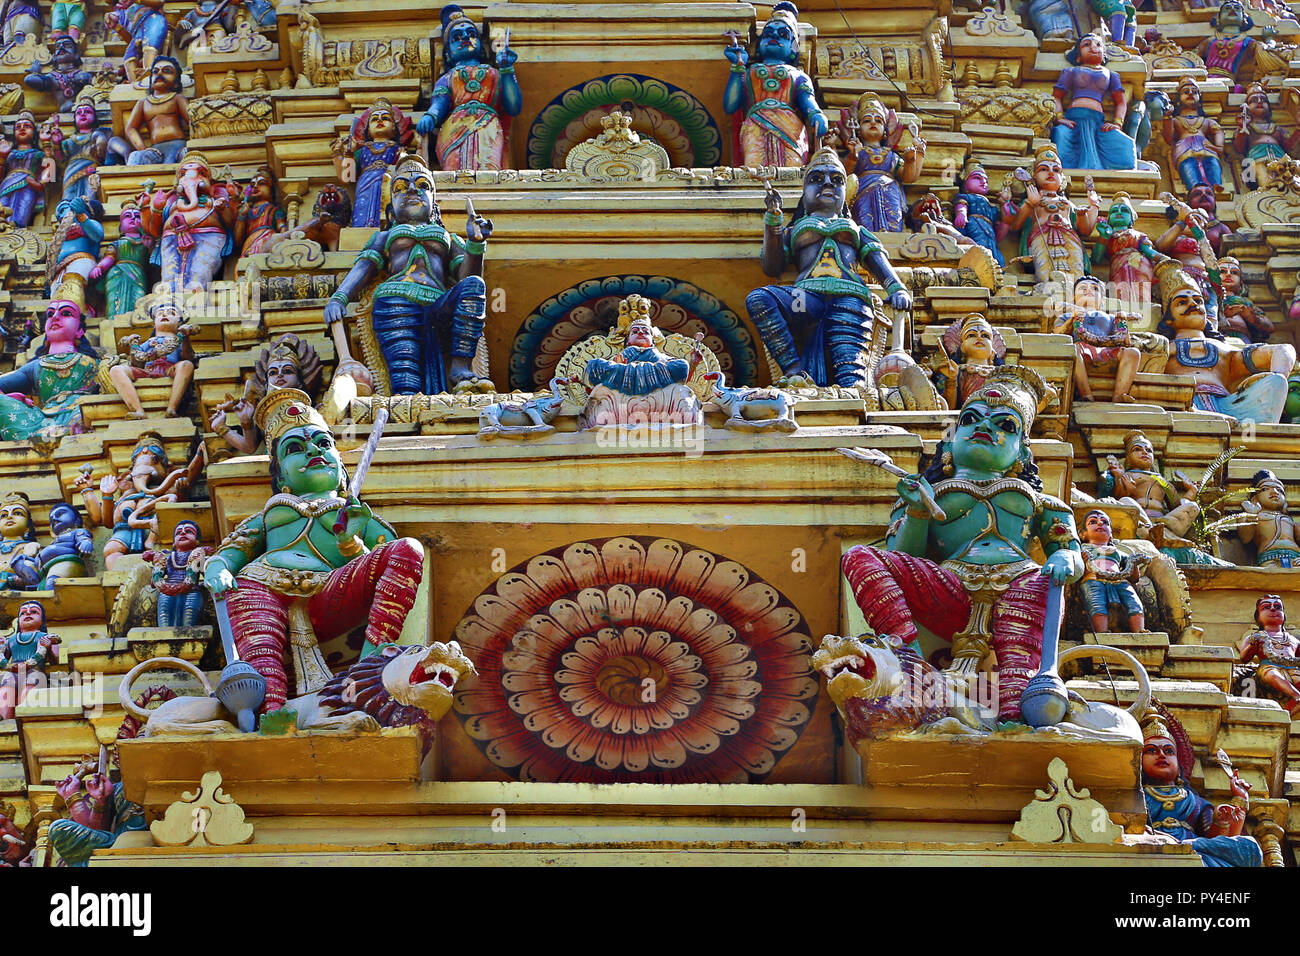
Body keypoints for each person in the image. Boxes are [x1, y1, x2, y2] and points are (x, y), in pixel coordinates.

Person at [841, 366, 1083, 721]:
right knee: (860, 557)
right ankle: (908, 660)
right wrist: (918, 512)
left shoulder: (1044, 505)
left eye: (1005, 425)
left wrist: (1064, 556)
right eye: (972, 419)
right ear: (951, 442)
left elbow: (1074, 557)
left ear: (1021, 454)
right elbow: (901, 557)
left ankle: (1018, 697)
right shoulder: (923, 494)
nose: (985, 427)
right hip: (951, 587)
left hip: (1021, 582)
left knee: (1043, 584)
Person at [203, 389, 426, 713]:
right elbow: (233, 552)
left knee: (408, 549)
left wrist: (350, 542)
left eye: (323, 443)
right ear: (280, 476)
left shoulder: (355, 513)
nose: (312, 450)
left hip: (329, 592)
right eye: (295, 448)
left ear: (341, 469)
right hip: (261, 586)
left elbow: (388, 566)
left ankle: (370, 665)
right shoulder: (267, 516)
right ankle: (271, 713)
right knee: (260, 644)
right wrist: (218, 567)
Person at [324, 152, 494, 395]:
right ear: (391, 207)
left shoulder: (449, 238)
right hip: (396, 300)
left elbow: (466, 278)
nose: (412, 191)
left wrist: (476, 243)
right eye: (401, 188)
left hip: (438, 303)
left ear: (433, 203)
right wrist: (339, 297)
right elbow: (364, 268)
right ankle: (404, 403)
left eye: (422, 185)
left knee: (475, 286)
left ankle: (460, 369)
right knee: (406, 385)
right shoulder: (384, 237)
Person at [745, 147, 911, 388]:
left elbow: (877, 259)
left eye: (836, 180)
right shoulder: (794, 229)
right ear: (805, 194)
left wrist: (897, 289)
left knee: (849, 371)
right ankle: (794, 372)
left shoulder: (855, 229)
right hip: (805, 297)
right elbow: (772, 266)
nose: (827, 184)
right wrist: (773, 220)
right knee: (760, 299)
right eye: (816, 179)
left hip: (850, 296)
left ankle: (853, 395)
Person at [722, 1, 827, 166]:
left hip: (790, 127)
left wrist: (816, 114)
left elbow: (808, 100)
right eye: (768, 33)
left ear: (793, 50)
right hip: (755, 126)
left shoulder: (799, 75)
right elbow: (730, 105)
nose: (775, 36)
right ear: (758, 46)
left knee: (791, 170)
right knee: (755, 169)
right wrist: (737, 66)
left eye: (783, 35)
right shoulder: (750, 72)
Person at [418, 5, 521, 171]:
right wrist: (430, 116)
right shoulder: (447, 78)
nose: (465, 37)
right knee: (454, 171)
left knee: (489, 168)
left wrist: (507, 69)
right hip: (454, 129)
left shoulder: (494, 73)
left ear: (481, 45)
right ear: (448, 54)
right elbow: (440, 103)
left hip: (487, 126)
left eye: (472, 34)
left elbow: (514, 107)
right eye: (457, 37)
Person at [0, 300, 100, 443]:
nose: (55, 317)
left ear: (80, 330)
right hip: (41, 419)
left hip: (83, 411)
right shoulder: (36, 366)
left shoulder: (93, 362)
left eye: (66, 313)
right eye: (50, 314)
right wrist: (15, 397)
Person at [1051, 33, 1138, 170]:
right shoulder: (1071, 71)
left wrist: (1117, 123)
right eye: (1086, 44)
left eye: (1098, 44)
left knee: (1124, 143)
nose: (1093, 47)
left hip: (1098, 122)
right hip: (1073, 120)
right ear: (1078, 56)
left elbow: (1121, 103)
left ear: (1104, 55)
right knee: (1060, 134)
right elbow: (1056, 96)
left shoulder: (1112, 75)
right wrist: (1060, 118)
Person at [1079, 509, 1148, 633]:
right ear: (1083, 534)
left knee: (1133, 602)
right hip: (1093, 579)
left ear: (1111, 534)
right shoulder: (1083, 549)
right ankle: (1102, 632)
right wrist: (1083, 561)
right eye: (1093, 522)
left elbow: (1134, 578)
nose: (1100, 523)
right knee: (1097, 604)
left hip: (1119, 580)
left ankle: (1140, 630)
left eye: (1105, 522)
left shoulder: (1119, 552)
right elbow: (1077, 570)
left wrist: (1134, 564)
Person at [1238, 595, 1300, 713]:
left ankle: (1287, 712)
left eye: (1277, 607)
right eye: (1266, 607)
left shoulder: (1293, 639)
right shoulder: (1254, 637)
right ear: (1258, 616)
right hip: (1269, 666)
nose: (1273, 609)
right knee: (1272, 675)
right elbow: (1244, 658)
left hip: (1293, 669)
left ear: (1283, 615)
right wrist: (1253, 645)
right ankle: (1297, 696)